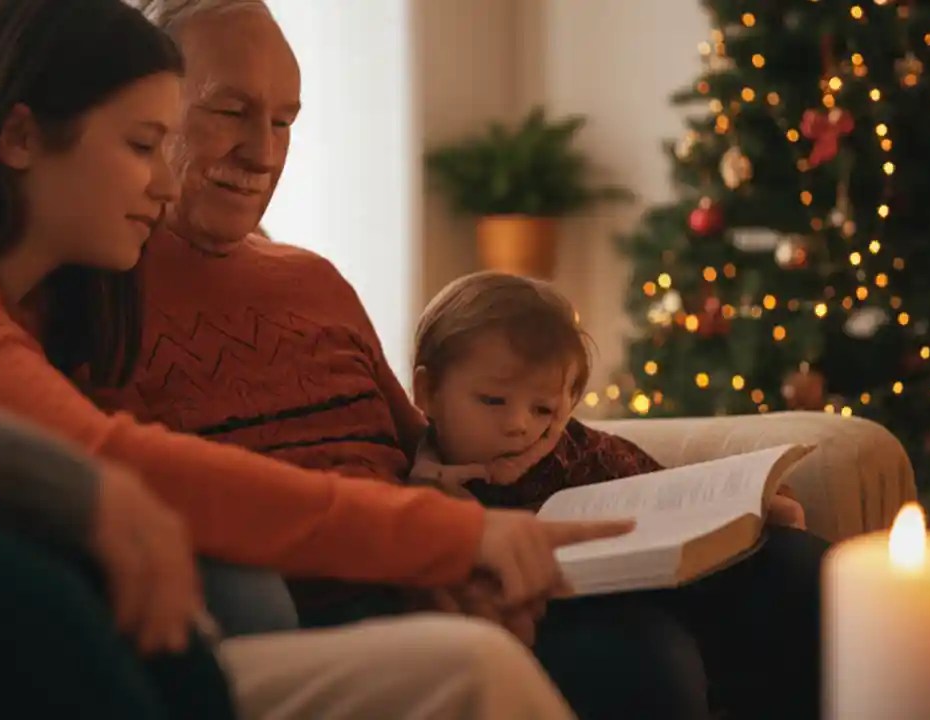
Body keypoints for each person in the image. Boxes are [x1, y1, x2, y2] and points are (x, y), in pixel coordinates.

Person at [0, 1, 580, 718]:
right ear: (20, 138)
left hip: (60, 627)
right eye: (143, 147)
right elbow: (99, 462)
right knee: (308, 612)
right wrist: (450, 537)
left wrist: (446, 531)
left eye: (285, 122)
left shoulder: (68, 301)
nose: (169, 185)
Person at [115, 2, 825, 717]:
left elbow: (430, 441)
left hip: (453, 561)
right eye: (229, 110)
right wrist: (427, 549)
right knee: (636, 658)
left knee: (801, 572)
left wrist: (708, 498)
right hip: (349, 602)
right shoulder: (98, 291)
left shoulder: (312, 280)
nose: (263, 154)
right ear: (146, 108)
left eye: (284, 121)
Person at [407, 271, 827, 719]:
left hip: (665, 581)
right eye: (493, 400)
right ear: (428, 392)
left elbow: (661, 490)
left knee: (801, 564)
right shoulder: (422, 489)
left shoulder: (572, 449)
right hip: (573, 618)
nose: (519, 425)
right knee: (655, 657)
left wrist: (749, 507)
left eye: (543, 408)